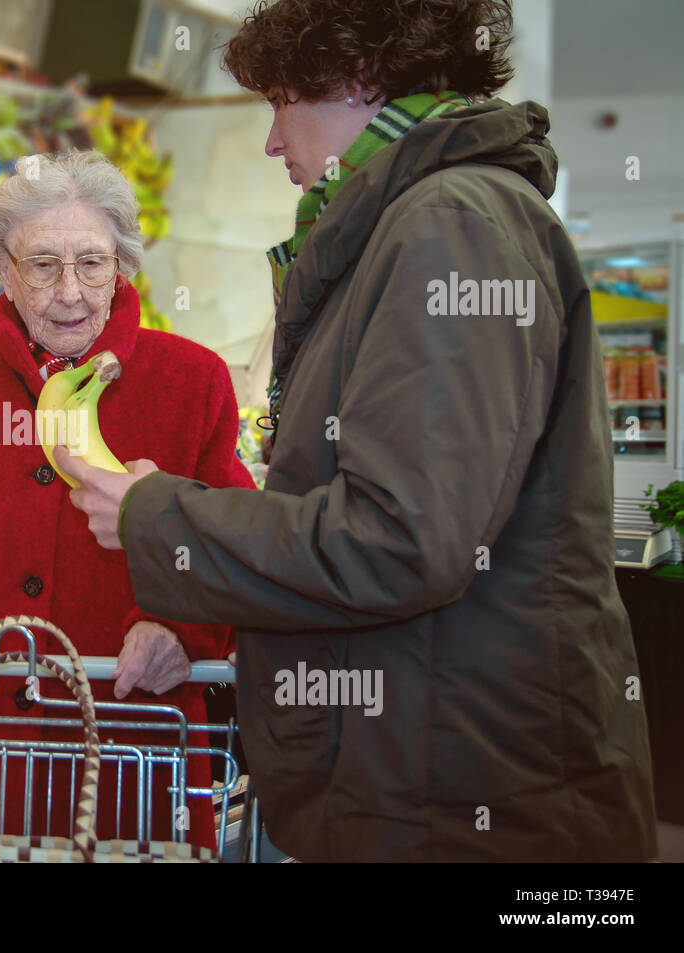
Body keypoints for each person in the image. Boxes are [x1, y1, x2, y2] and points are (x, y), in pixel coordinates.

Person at [60, 0, 656, 861]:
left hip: (459, 796)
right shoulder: (424, 222)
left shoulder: (451, 226)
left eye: (280, 102)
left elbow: (401, 537)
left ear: (358, 75)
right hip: (430, 763)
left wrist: (157, 515)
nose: (273, 142)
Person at [0, 151, 254, 848]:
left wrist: (183, 634)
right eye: (42, 265)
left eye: (92, 263)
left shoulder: (193, 381)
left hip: (132, 757)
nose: (71, 292)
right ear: (2, 269)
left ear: (121, 266)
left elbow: (237, 549)